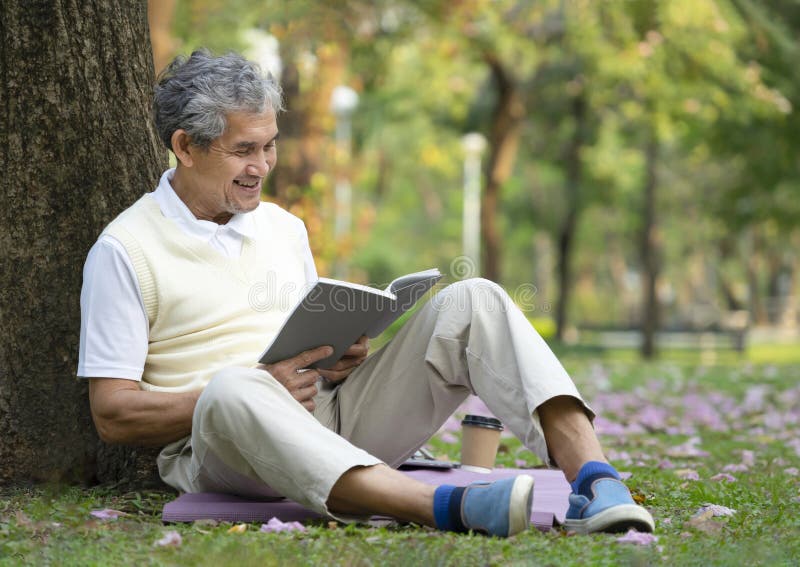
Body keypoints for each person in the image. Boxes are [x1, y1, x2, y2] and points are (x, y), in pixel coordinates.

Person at [78, 50, 654, 538]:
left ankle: (599, 482)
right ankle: (443, 508)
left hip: (330, 416)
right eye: (244, 150)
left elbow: (309, 348)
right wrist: (257, 388)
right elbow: (114, 415)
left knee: (474, 299)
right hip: (229, 449)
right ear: (185, 146)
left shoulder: (283, 227)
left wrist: (339, 359)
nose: (262, 167)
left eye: (270, 147)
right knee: (235, 387)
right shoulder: (125, 249)